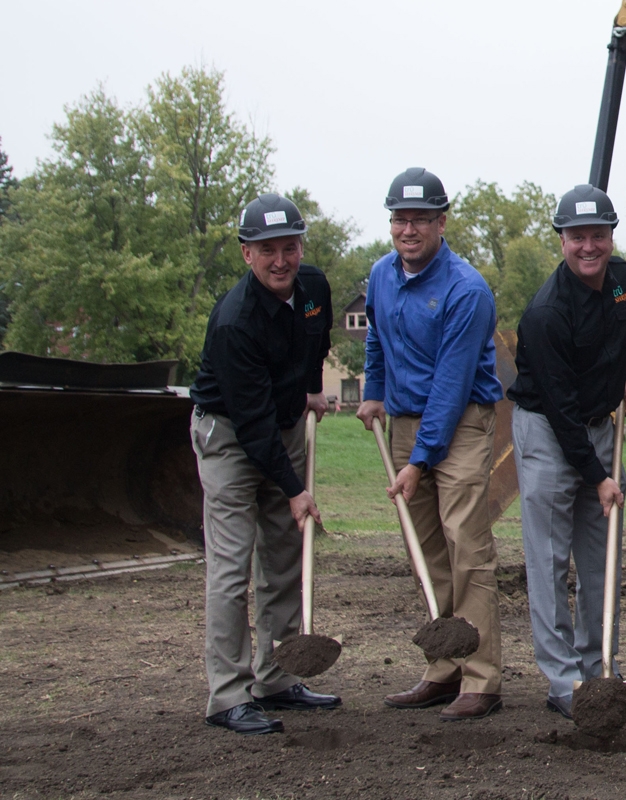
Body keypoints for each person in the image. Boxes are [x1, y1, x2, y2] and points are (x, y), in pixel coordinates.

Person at [190, 193, 338, 735]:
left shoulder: (314, 288)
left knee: (284, 557)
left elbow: (316, 341)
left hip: (284, 423)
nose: (281, 261)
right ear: (246, 254)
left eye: (290, 247)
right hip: (231, 434)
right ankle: (228, 695)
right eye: (268, 250)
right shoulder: (235, 322)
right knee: (232, 567)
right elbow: (251, 426)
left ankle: (276, 677)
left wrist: (311, 388)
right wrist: (295, 489)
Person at [360, 168, 505, 722]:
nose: (409, 229)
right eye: (400, 218)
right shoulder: (381, 275)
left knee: (466, 544)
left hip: (460, 422)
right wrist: (373, 392)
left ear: (441, 222)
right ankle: (444, 668)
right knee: (425, 551)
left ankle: (481, 679)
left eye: (421, 219)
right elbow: (376, 337)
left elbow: (451, 383)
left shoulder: (467, 290)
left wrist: (420, 461)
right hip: (402, 421)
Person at [508, 184, 626, 720]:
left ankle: (600, 670)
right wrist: (598, 476)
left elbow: (613, 345)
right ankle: (564, 681)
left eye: (598, 235)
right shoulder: (546, 313)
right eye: (577, 237)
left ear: (611, 236)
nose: (588, 246)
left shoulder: (622, 280)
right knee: (549, 560)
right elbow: (560, 409)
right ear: (562, 240)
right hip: (549, 430)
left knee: (601, 558)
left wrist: (620, 384)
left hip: (599, 424)